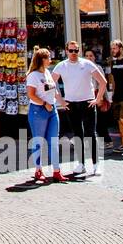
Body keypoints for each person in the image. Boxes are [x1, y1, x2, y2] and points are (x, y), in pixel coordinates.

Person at [51, 40, 107, 176]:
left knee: (90, 134)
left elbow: (103, 82)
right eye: (71, 51)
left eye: (76, 50)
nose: (74, 53)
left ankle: (96, 164)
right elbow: (51, 84)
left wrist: (97, 99)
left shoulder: (87, 64)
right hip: (71, 103)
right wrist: (61, 101)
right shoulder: (61, 66)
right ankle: (81, 164)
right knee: (77, 134)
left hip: (87, 102)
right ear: (66, 51)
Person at [25, 48, 64, 183]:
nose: (50, 60)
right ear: (41, 60)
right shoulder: (33, 75)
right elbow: (30, 94)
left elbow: (54, 90)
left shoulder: (47, 72)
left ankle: (56, 171)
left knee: (54, 140)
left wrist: (61, 102)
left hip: (52, 110)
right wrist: (43, 104)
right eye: (47, 58)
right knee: (38, 141)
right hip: (38, 110)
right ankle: (38, 169)